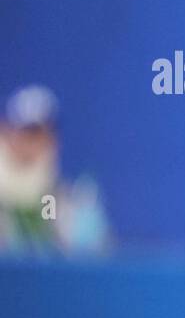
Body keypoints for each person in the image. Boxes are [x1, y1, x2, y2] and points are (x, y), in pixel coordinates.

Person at [0, 85, 108, 254]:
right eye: (29, 132)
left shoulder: (67, 202)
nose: (36, 143)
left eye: (45, 133)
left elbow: (89, 258)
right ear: (7, 133)